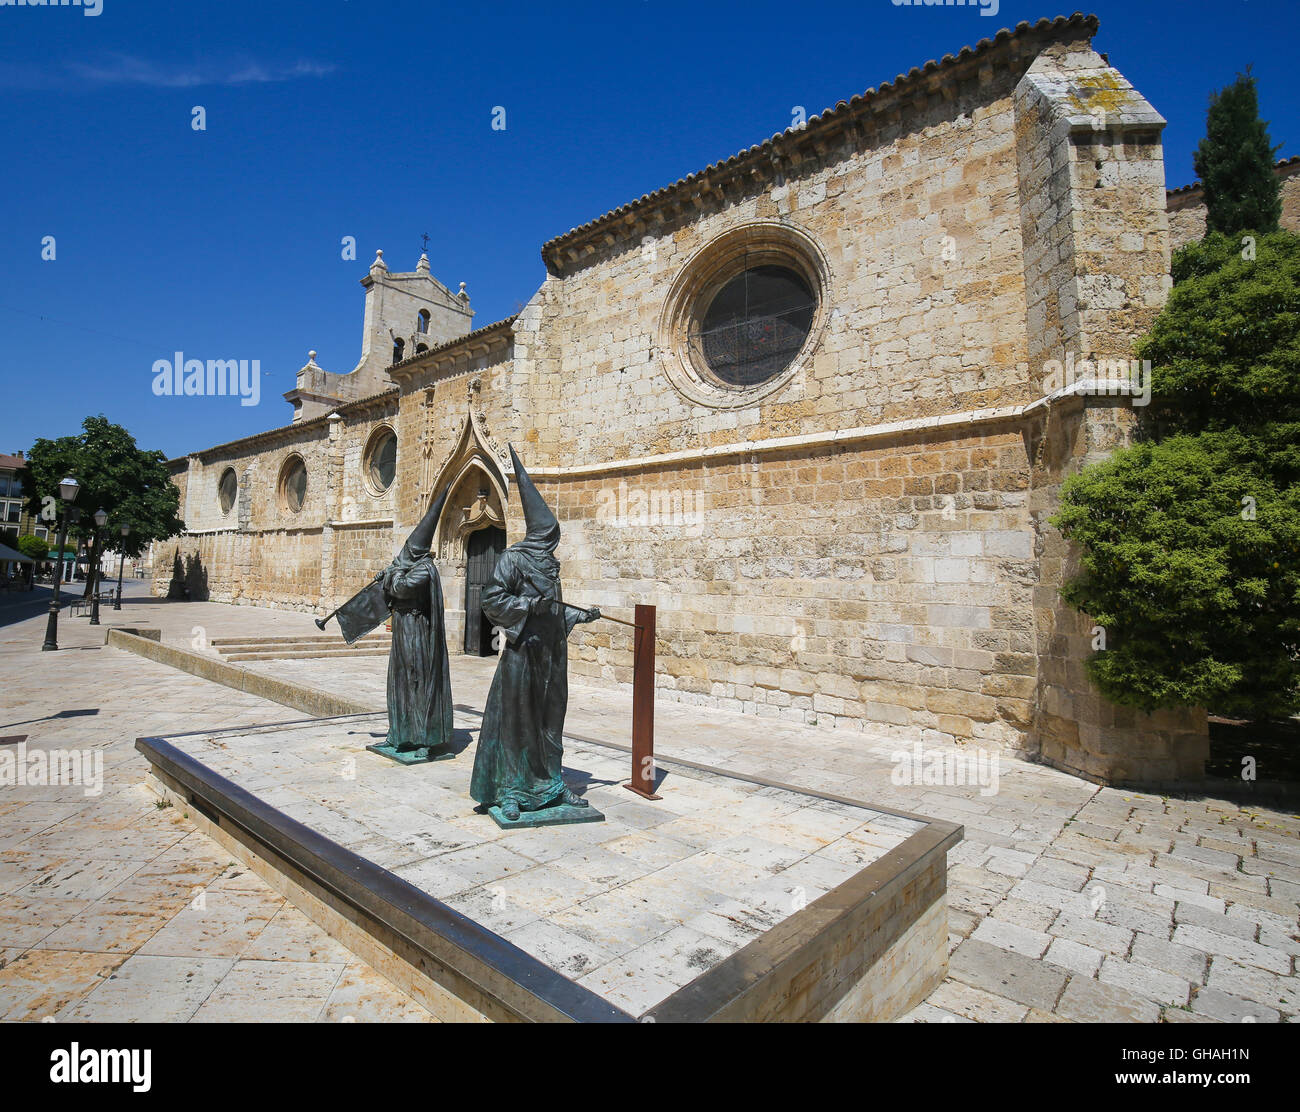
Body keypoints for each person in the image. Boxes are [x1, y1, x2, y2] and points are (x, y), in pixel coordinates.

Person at [470, 446, 600, 820]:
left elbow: (554, 610)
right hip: (522, 655)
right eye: (550, 534)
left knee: (549, 722)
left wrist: (579, 615)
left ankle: (552, 786)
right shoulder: (513, 559)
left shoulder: (550, 565)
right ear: (540, 534)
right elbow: (491, 599)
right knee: (518, 723)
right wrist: (527, 605)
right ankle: (511, 791)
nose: (553, 540)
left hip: (551, 657)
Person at [375, 484, 454, 756]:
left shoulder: (424, 570)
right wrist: (389, 574)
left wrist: (391, 573)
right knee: (398, 682)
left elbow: (402, 588)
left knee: (417, 680)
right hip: (401, 627)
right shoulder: (409, 566)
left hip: (416, 630)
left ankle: (423, 739)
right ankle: (398, 734)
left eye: (409, 551)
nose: (404, 554)